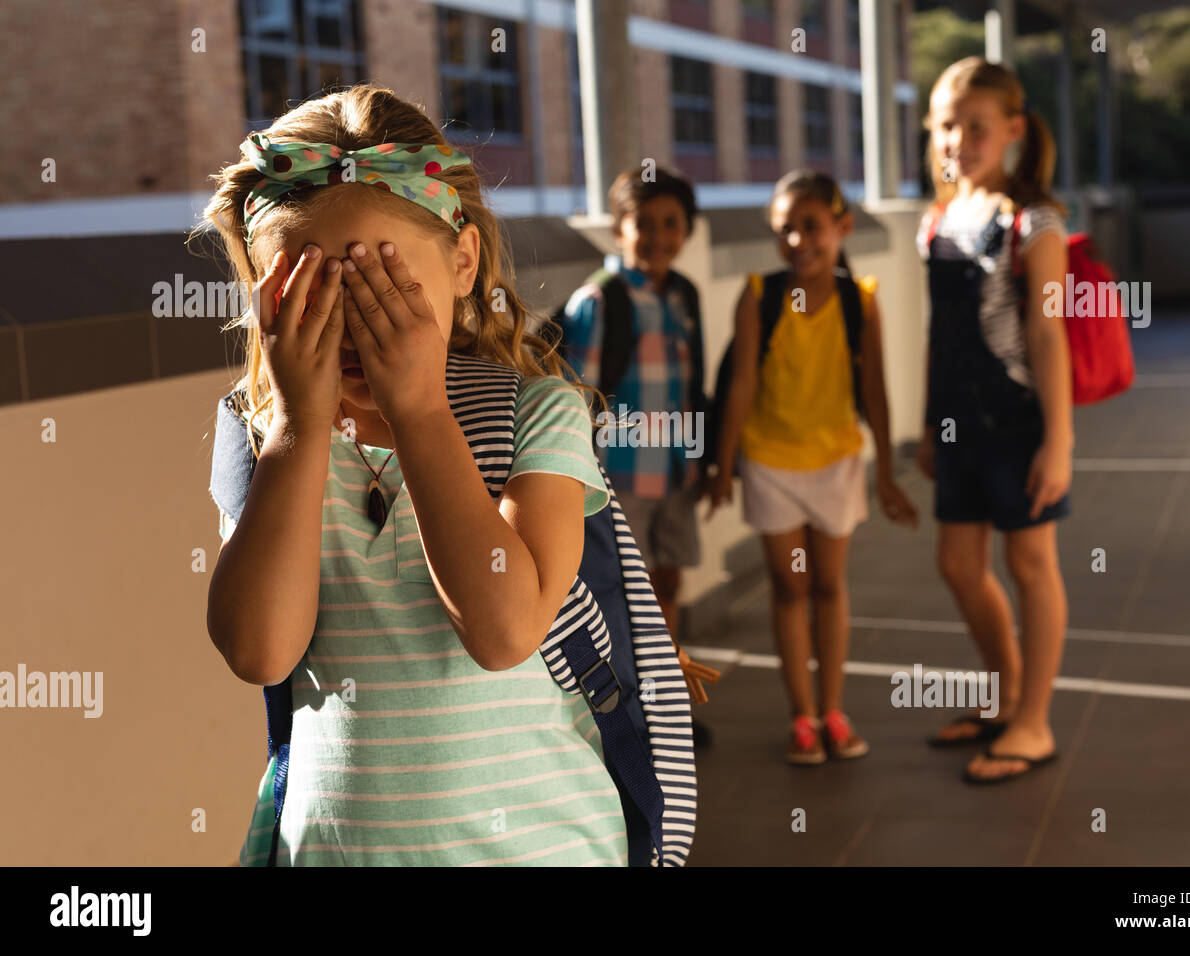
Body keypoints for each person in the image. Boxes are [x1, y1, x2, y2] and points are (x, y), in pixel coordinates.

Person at [204, 85, 628, 864]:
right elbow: (259, 651)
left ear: (462, 262)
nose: (353, 327)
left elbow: (503, 633)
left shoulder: (536, 416)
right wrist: (297, 427)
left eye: (379, 289)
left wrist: (423, 415)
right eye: (314, 297)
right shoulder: (260, 434)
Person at [709, 169, 918, 765]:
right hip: (771, 461)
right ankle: (801, 715)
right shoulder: (759, 295)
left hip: (836, 462)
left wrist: (884, 475)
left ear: (842, 228)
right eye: (785, 231)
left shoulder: (861, 301)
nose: (799, 241)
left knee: (828, 585)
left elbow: (873, 391)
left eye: (812, 228)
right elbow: (742, 384)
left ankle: (833, 710)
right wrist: (723, 465)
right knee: (788, 586)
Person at [917, 57, 1073, 784]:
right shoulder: (940, 218)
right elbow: (938, 332)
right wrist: (928, 421)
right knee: (956, 565)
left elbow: (1048, 337)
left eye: (976, 126)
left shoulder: (1033, 221)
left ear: (1012, 130)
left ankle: (1033, 723)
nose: (959, 138)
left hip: (1016, 419)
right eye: (948, 124)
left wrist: (1059, 443)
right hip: (955, 421)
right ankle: (1005, 692)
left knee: (1030, 563)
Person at [559, 167, 719, 747]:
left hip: (675, 474)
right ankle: (632, 716)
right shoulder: (600, 300)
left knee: (669, 586)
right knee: (627, 599)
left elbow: (691, 384)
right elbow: (579, 397)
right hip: (619, 479)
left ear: (688, 230)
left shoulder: (684, 296)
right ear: (618, 229)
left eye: (671, 224)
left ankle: (667, 702)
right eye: (642, 224)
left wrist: (706, 461)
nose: (657, 235)